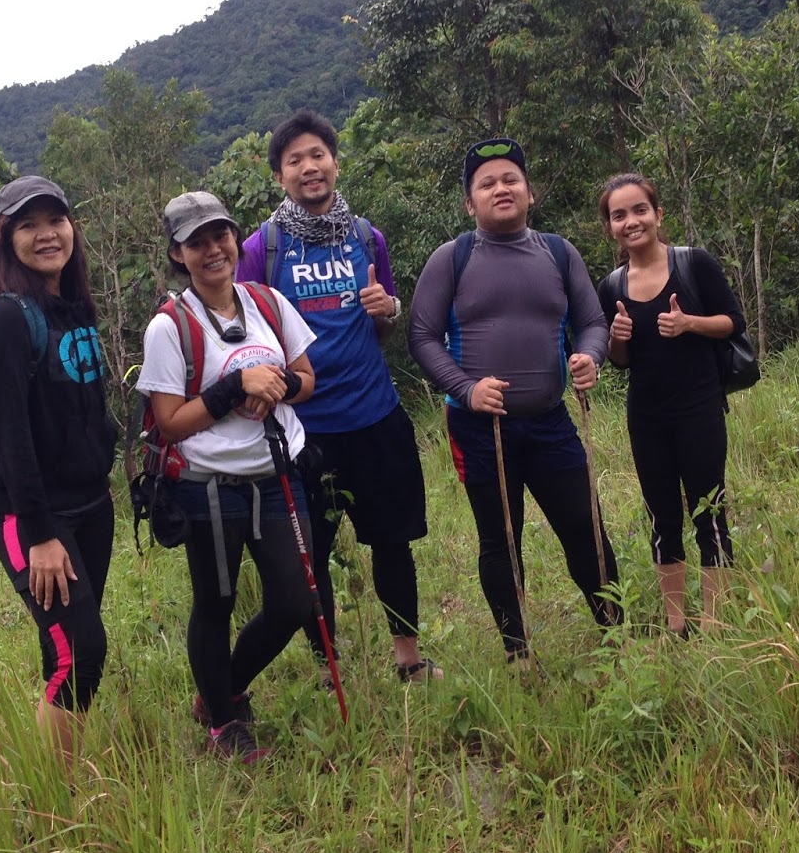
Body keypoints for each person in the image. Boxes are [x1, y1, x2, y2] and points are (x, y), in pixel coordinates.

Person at [236, 109, 440, 685]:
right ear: (280, 176)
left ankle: (409, 658)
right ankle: (332, 666)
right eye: (294, 160)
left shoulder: (365, 236)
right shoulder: (261, 249)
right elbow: (245, 335)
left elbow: (384, 323)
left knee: (392, 542)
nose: (309, 167)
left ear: (335, 161)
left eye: (317, 154)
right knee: (311, 552)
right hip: (303, 428)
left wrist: (388, 312)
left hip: (375, 415)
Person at [407, 137, 621, 665]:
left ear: (529, 193)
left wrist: (590, 356)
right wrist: (466, 388)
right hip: (481, 430)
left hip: (551, 422)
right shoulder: (451, 259)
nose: (501, 188)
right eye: (487, 183)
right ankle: (517, 651)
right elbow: (422, 336)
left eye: (511, 180)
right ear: (469, 202)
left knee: (585, 529)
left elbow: (591, 322)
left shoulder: (557, 251)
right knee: (500, 539)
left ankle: (619, 637)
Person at [137, 190, 316, 762]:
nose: (213, 249)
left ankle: (224, 685)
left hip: (275, 472)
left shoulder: (266, 302)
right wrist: (235, 387)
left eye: (220, 236)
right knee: (216, 602)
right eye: (197, 242)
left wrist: (276, 387)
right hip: (208, 485)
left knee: (295, 600)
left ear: (235, 240)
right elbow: (169, 423)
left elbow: (306, 378)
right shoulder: (170, 327)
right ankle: (224, 721)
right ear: (178, 253)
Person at [0, 175, 119, 766]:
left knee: (64, 644)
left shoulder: (72, 306)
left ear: (71, 226)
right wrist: (40, 534)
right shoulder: (6, 319)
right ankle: (53, 803)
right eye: (27, 225)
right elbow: (8, 437)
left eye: (54, 220)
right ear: (7, 239)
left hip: (91, 505)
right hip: (36, 517)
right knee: (80, 653)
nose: (46, 234)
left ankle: (61, 766)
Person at [595, 173, 743, 636]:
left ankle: (716, 622)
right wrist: (617, 341)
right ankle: (678, 623)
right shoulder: (611, 286)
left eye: (640, 210)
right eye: (619, 215)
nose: (631, 221)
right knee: (663, 516)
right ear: (610, 228)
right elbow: (620, 363)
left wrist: (689, 323)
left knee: (709, 510)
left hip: (699, 407)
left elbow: (732, 323)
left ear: (658, 215)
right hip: (647, 415)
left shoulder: (693, 264)